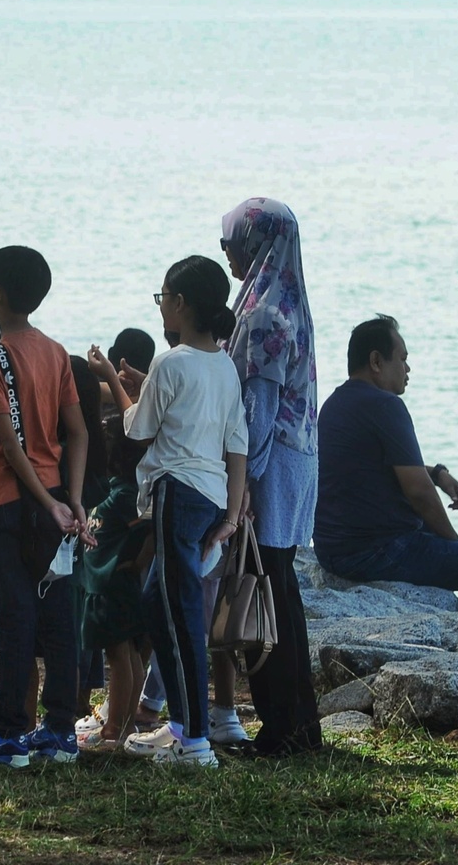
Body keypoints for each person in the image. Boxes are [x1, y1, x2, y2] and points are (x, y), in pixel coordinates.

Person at [107, 256, 248, 769]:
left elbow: (136, 429)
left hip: (175, 493)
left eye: (162, 296)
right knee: (162, 604)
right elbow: (237, 448)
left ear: (181, 304)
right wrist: (231, 518)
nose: (161, 305)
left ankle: (193, 742)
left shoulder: (172, 363)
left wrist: (112, 381)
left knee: (180, 616)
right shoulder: (225, 366)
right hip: (210, 499)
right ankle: (184, 729)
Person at [0, 246, 90, 769]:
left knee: (16, 614)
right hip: (53, 499)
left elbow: (8, 446)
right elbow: (75, 434)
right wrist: (69, 501)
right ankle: (59, 731)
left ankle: (9, 733)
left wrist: (43, 501)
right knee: (57, 616)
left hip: (10, 503)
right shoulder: (56, 353)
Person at [217, 198, 323, 756]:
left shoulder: (259, 315)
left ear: (254, 243)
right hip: (300, 458)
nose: (228, 253)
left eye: (231, 242)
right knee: (282, 590)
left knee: (265, 596)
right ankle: (300, 724)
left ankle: (283, 729)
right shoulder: (292, 302)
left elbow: (258, 408)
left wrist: (245, 486)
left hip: (271, 465)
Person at [314, 315, 458, 613]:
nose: (408, 368)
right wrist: (455, 545)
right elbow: (419, 495)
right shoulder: (384, 405)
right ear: (377, 361)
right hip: (373, 552)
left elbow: (377, 467)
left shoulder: (334, 404)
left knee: (453, 546)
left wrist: (437, 474)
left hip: (332, 550)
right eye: (402, 359)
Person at [74, 330, 154, 753]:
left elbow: (148, 527)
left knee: (122, 658)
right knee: (126, 658)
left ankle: (116, 729)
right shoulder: (119, 491)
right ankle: (119, 724)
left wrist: (139, 562)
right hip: (105, 585)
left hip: (115, 585)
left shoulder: (127, 493)